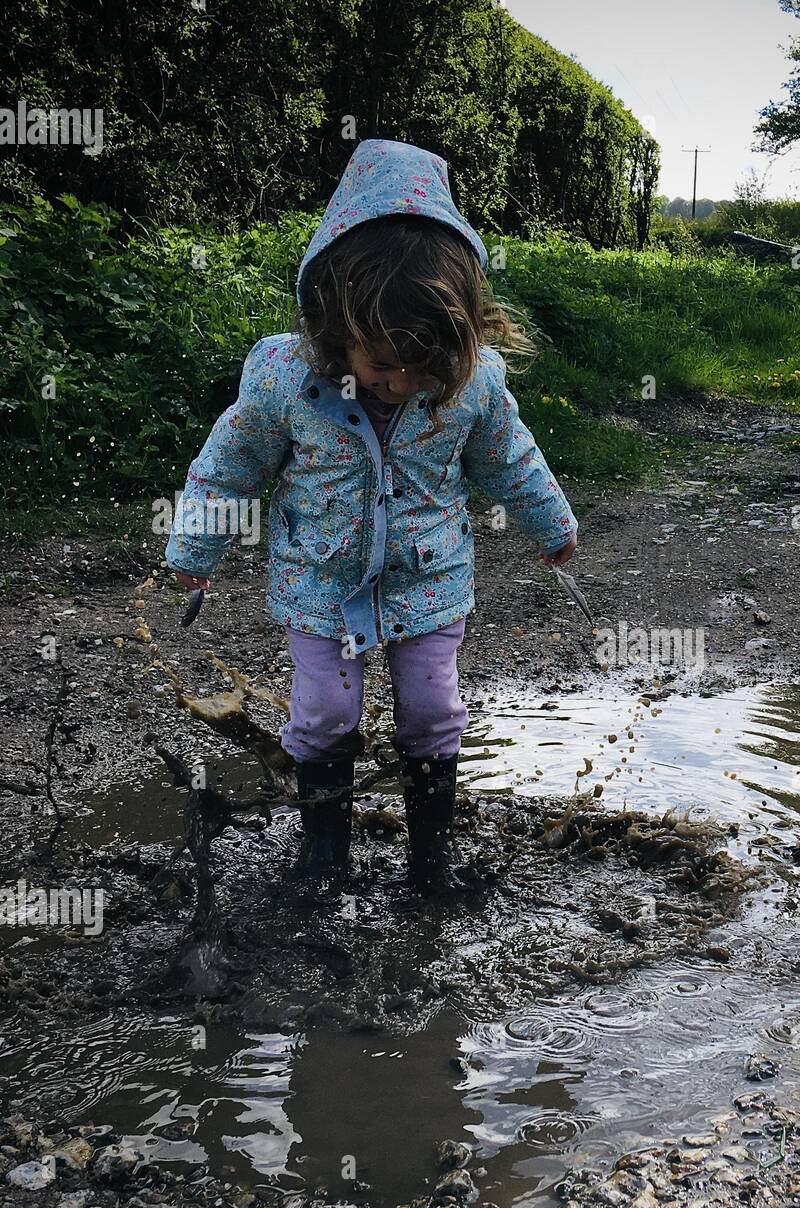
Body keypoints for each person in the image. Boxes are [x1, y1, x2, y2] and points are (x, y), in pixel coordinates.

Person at [166, 139, 578, 896]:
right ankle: (323, 854)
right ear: (333, 322)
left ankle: (432, 862)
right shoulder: (286, 379)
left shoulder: (473, 381)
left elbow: (508, 456)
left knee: (432, 710)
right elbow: (232, 464)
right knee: (324, 714)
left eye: (425, 369)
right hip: (321, 586)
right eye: (384, 366)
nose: (402, 384)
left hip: (428, 581)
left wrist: (550, 524)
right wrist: (196, 544)